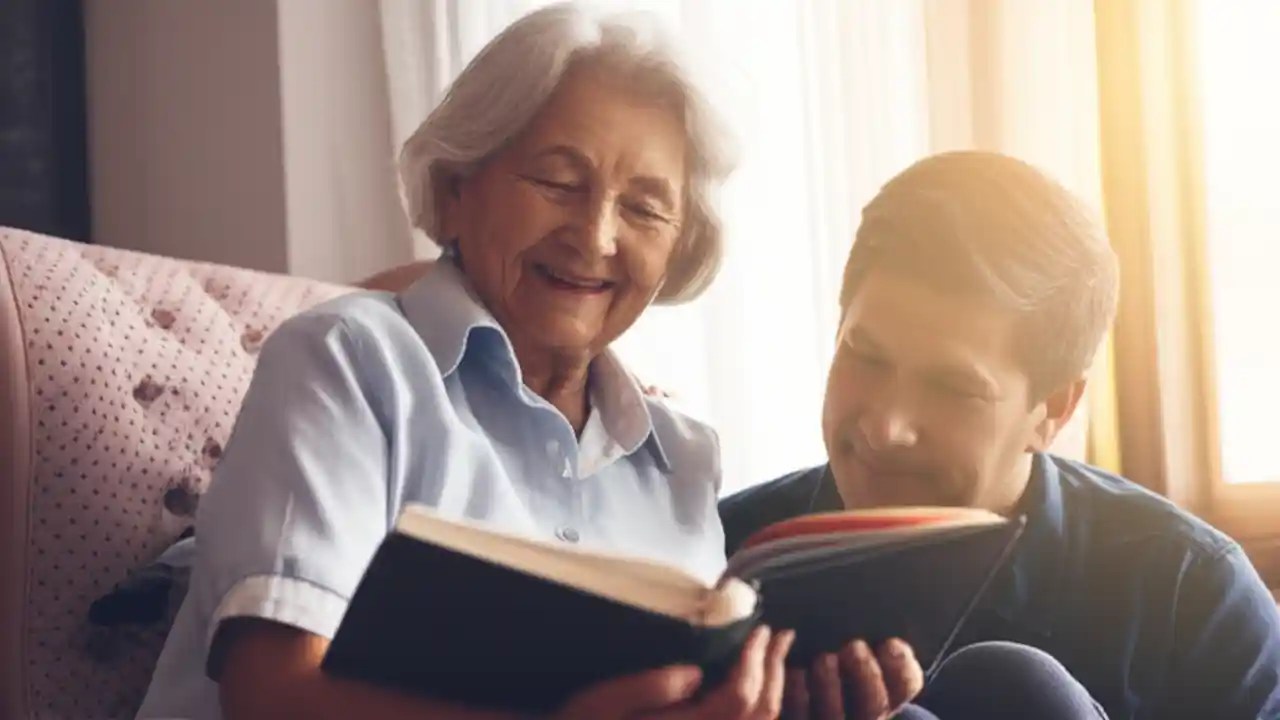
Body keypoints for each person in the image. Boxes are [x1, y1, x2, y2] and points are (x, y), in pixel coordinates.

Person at [134, 4, 928, 719]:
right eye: (556, 181)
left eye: (645, 208)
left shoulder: (681, 458)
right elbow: (272, 698)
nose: (596, 237)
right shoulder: (346, 364)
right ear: (454, 191)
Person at [720, 151, 1280, 719]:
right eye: (865, 356)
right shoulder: (707, 559)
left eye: (952, 387)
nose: (885, 428)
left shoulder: (1191, 593)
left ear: (1052, 411)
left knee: (1022, 687)